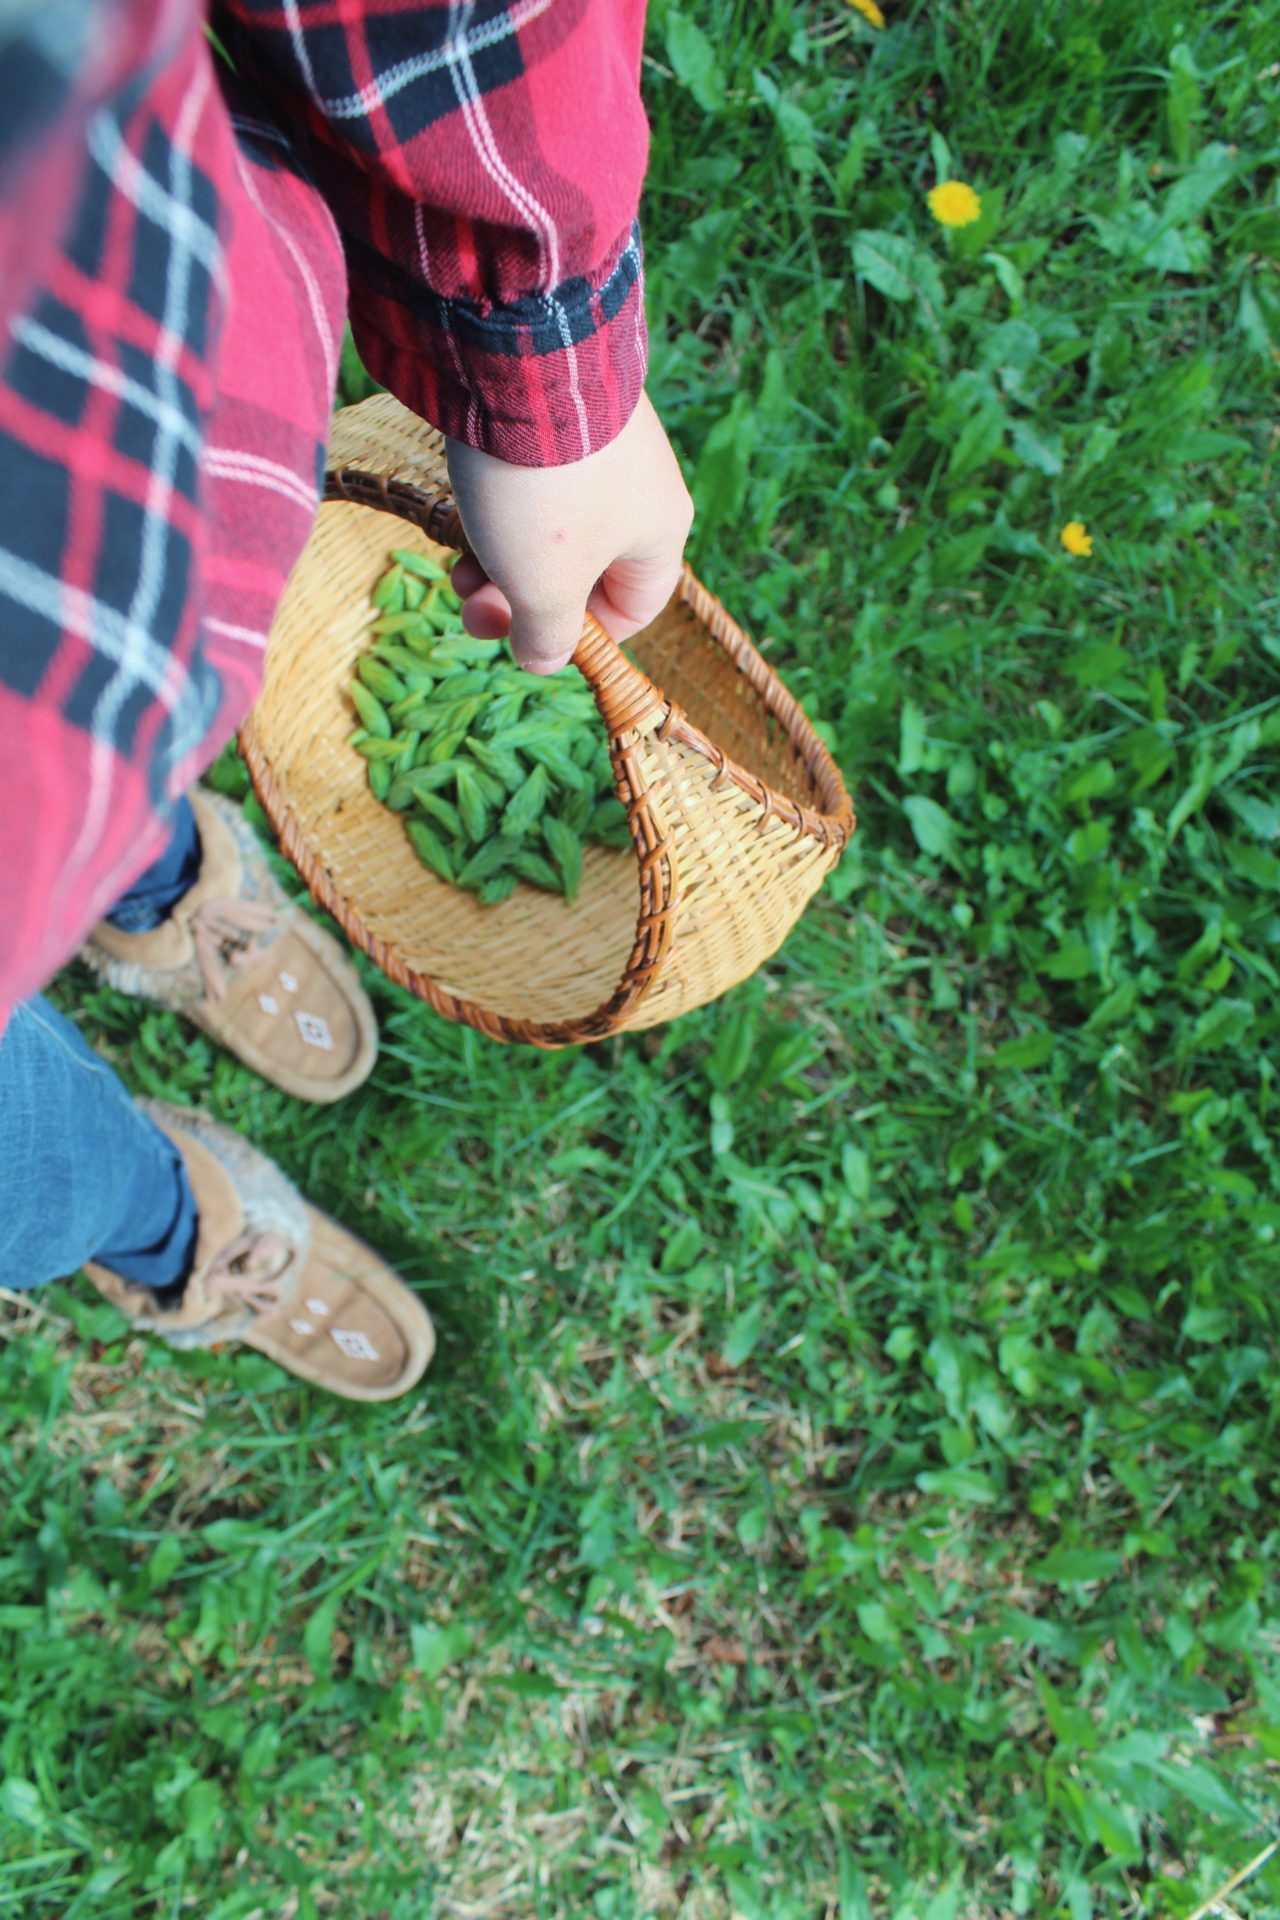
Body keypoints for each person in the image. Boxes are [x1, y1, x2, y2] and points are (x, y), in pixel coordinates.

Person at [0, 0, 694, 1399]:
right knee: (25, 1169)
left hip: (93, 416)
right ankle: (164, 1216)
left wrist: (544, 356)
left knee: (80, 723)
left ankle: (153, 885)